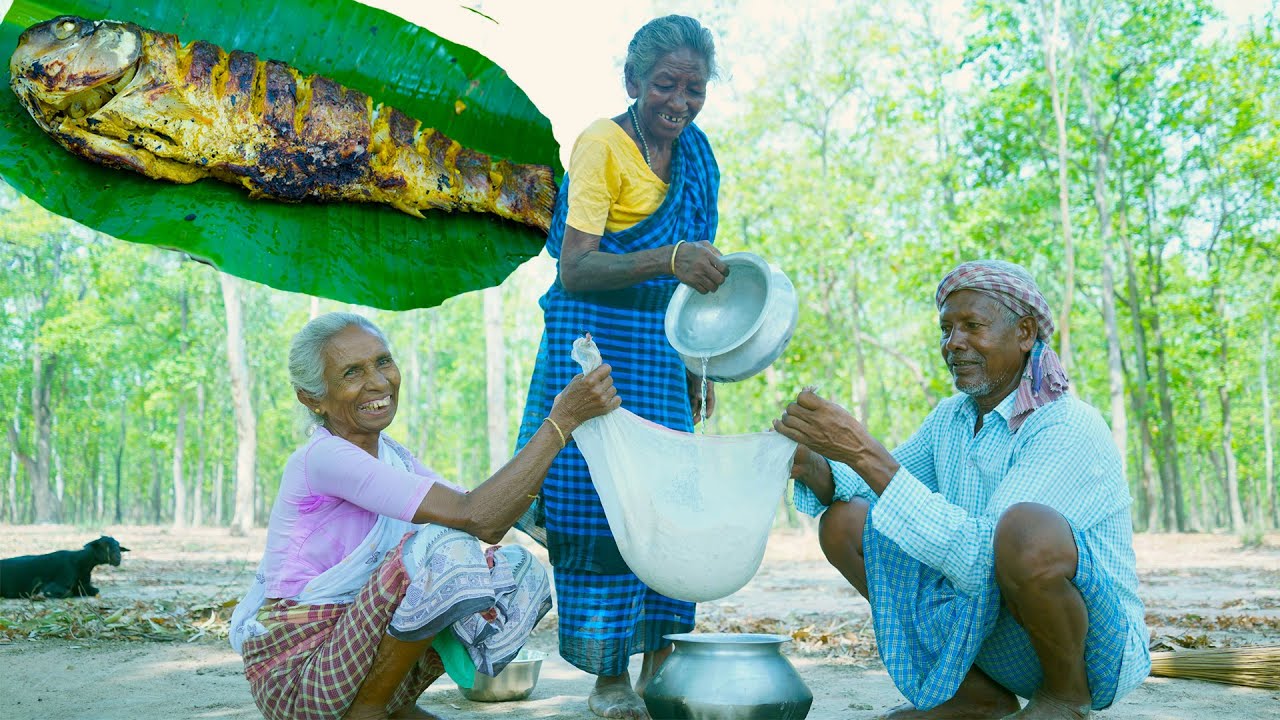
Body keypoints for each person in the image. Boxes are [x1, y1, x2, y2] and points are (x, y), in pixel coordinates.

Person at [773, 260, 1150, 720]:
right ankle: (976, 698)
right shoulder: (951, 419)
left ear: (1026, 333)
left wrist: (863, 450)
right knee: (846, 522)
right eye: (947, 329)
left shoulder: (1067, 424)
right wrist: (814, 463)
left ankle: (1064, 702)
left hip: (1091, 653)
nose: (954, 344)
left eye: (973, 326)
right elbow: (869, 492)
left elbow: (981, 560)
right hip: (987, 633)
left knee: (1025, 530)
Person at [228, 312, 619, 720]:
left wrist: (566, 430)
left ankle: (394, 703)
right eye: (351, 373)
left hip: (350, 650)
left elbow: (490, 515)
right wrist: (561, 421)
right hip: (297, 672)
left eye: (383, 361)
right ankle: (370, 711)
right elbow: (476, 518)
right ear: (312, 398)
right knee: (444, 549)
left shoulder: (392, 457)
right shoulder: (324, 457)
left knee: (513, 568)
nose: (378, 382)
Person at [513, 14, 729, 719]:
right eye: (665, 84)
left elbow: (693, 284)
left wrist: (697, 369)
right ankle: (608, 679)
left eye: (694, 88)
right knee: (599, 498)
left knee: (666, 498)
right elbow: (575, 268)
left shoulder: (698, 157)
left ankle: (660, 665)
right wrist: (666, 259)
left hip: (662, 349)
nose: (680, 101)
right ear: (633, 81)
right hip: (595, 342)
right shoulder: (601, 144)